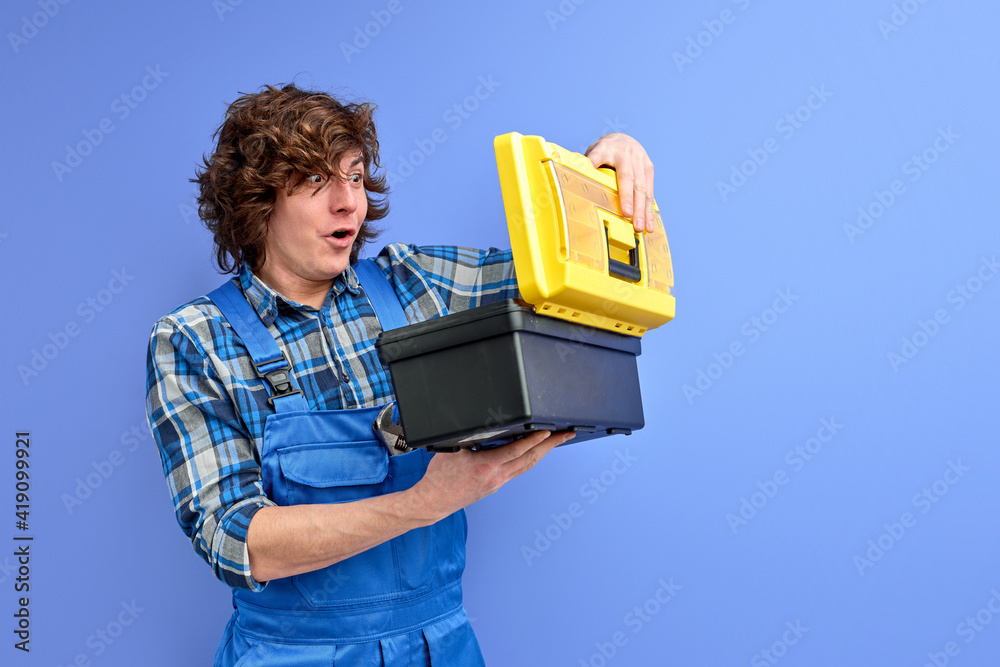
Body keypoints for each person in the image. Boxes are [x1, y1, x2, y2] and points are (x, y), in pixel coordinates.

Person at [145, 83, 656, 666]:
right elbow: (236, 540)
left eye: (356, 176)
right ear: (257, 203)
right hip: (295, 655)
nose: (348, 203)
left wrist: (605, 166)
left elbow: (569, 283)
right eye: (317, 181)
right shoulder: (194, 340)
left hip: (442, 645)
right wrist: (425, 502)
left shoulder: (416, 284)